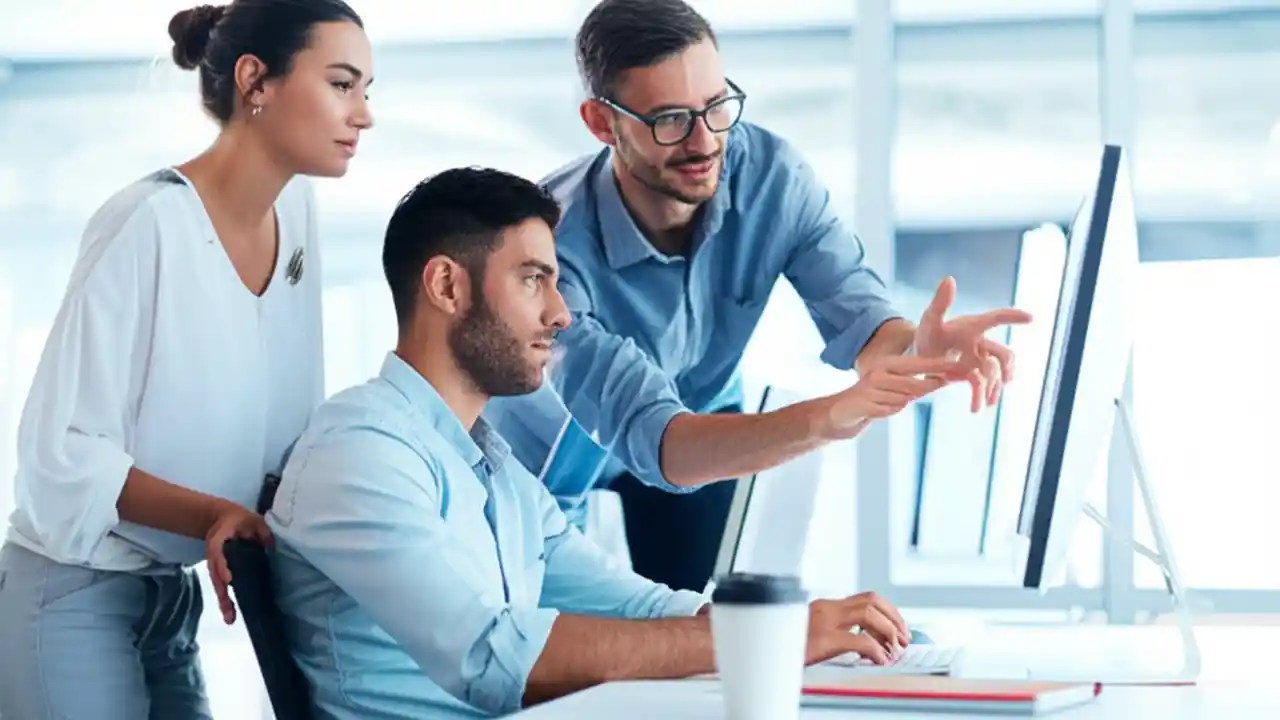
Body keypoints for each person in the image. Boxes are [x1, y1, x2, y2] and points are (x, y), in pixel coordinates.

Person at [268, 166, 925, 720]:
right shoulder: (360, 450)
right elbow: (494, 657)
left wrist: (810, 626)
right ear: (447, 286)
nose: (560, 313)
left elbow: (638, 605)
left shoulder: (494, 470)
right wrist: (773, 640)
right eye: (532, 279)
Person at [484, 0, 1034, 592]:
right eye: (670, 120)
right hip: (556, 450)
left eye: (716, 107)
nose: (704, 142)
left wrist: (913, 348)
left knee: (701, 633)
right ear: (601, 122)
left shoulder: (770, 176)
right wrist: (833, 415)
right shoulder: (550, 247)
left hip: (699, 418)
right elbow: (660, 443)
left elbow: (859, 315)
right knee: (568, 641)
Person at [0, 2, 373, 717]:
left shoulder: (296, 216)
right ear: (255, 81)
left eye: (367, 90)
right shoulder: (148, 222)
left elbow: (282, 433)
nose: (362, 115)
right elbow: (61, 456)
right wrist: (212, 512)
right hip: (70, 594)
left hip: (173, 594)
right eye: (341, 84)